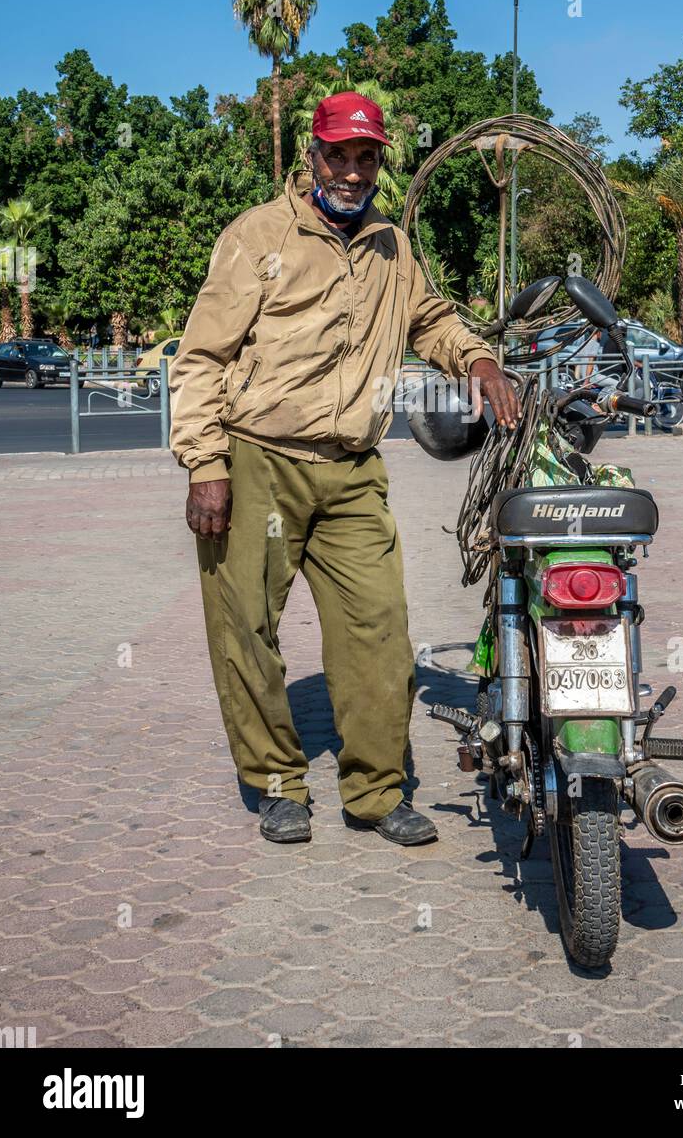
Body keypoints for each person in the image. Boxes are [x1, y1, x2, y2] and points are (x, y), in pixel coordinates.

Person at [169, 92, 521, 847]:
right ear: (313, 156)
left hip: (354, 468)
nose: (353, 171)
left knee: (380, 631)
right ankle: (276, 783)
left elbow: (431, 320)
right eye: (340, 154)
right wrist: (205, 463)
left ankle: (374, 791)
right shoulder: (257, 235)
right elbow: (200, 358)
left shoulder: (392, 246)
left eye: (367, 158)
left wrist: (480, 360)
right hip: (258, 460)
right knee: (247, 630)